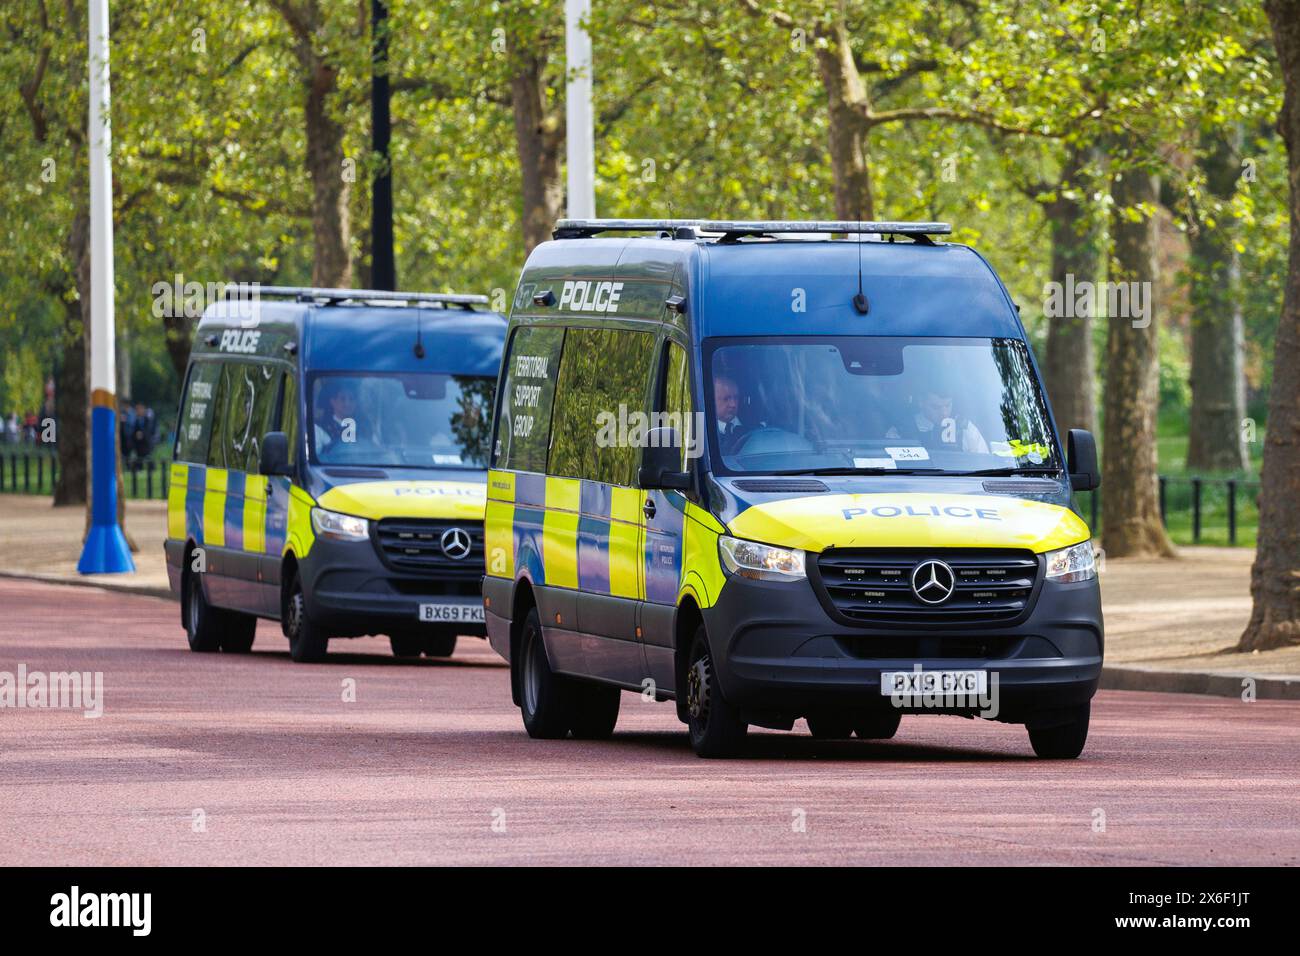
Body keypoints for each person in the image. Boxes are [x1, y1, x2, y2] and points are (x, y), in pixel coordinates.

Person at [888, 389, 989, 454]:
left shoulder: (964, 427)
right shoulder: (901, 431)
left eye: (948, 405)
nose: (944, 413)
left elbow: (983, 461)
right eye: (936, 407)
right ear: (921, 403)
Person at [713, 372, 758, 453]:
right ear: (712, 400)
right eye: (726, 399)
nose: (733, 404)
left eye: (736, 398)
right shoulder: (701, 432)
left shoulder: (753, 428)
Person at [314, 381, 362, 453]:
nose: (347, 404)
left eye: (351, 399)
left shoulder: (364, 426)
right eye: (342, 399)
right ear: (333, 402)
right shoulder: (319, 428)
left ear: (356, 403)